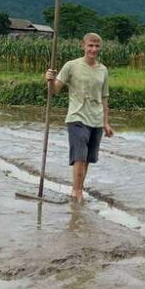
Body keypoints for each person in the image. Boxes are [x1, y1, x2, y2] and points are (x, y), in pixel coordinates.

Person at [45, 32, 114, 201]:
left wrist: (106, 122)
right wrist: (49, 80)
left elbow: (104, 97)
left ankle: (79, 188)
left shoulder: (103, 70)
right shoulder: (71, 66)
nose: (93, 49)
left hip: (96, 119)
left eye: (97, 46)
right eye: (90, 45)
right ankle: (76, 192)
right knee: (79, 156)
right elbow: (55, 90)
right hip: (77, 117)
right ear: (83, 46)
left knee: (88, 158)